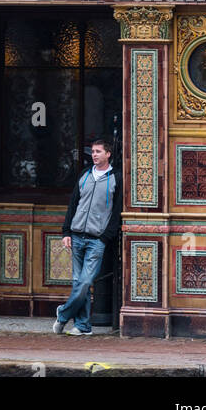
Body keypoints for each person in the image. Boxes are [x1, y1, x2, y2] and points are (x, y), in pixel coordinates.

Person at [53, 138, 122, 337]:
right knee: (78, 282)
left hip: (96, 239)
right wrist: (66, 232)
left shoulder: (115, 177)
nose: (94, 154)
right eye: (92, 151)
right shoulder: (84, 175)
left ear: (108, 154)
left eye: (98, 151)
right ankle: (83, 326)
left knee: (84, 282)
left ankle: (63, 313)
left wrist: (105, 237)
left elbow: (116, 211)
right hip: (76, 237)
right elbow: (73, 204)